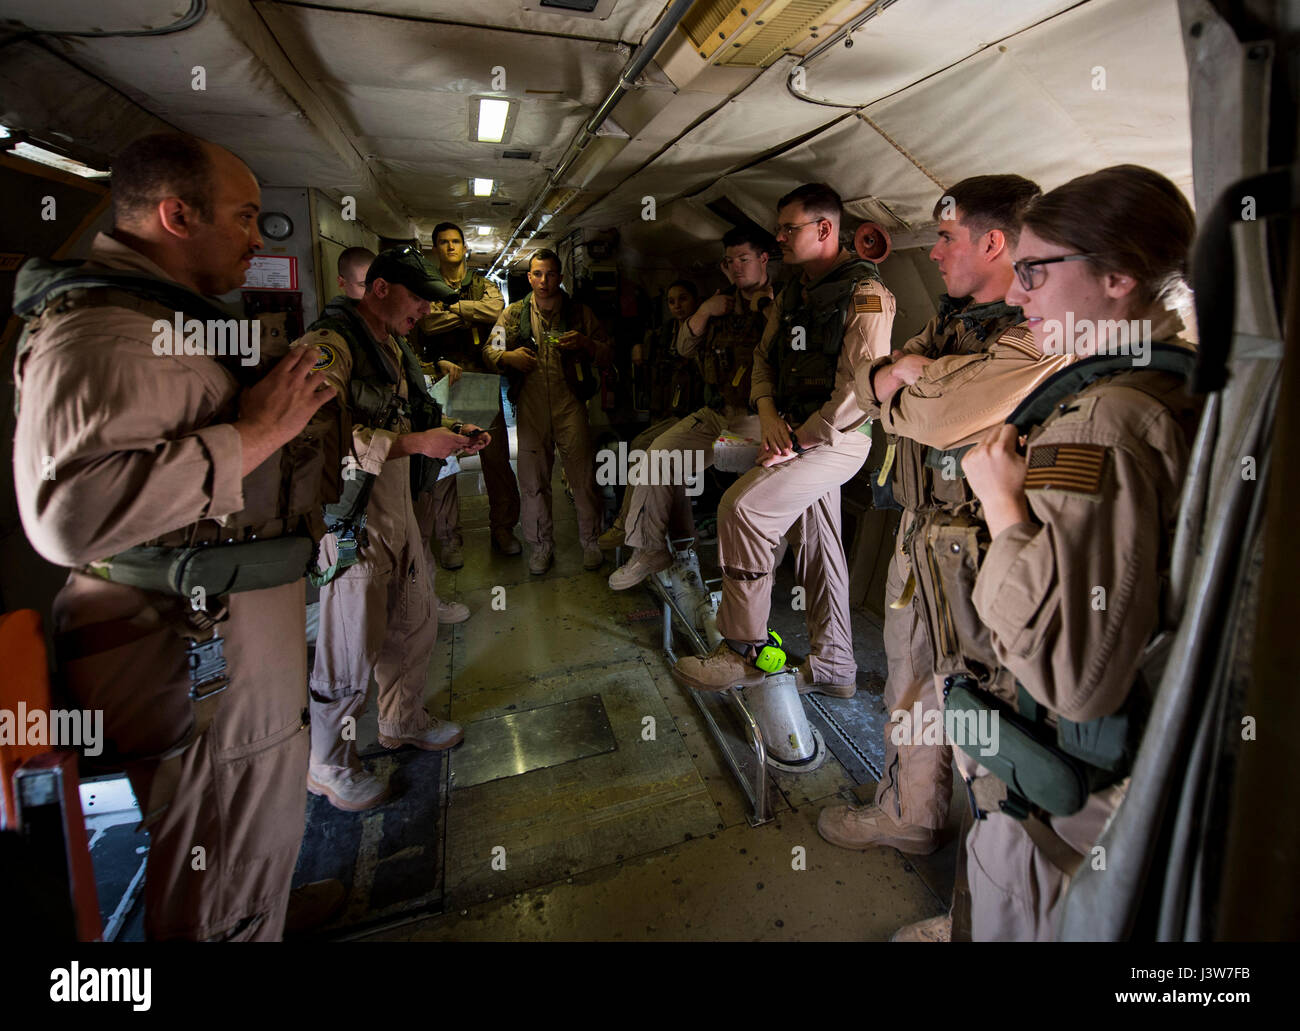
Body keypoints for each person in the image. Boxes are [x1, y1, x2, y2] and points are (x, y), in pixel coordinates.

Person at [12, 132, 335, 939]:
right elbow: (66, 516)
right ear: (176, 214)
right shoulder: (99, 333)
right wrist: (255, 436)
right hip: (192, 650)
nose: (258, 238)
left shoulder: (153, 319)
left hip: (214, 642)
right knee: (223, 861)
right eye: (246, 217)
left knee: (243, 844)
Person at [957, 165, 1199, 939]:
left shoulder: (1105, 421)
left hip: (1075, 803)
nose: (1018, 292)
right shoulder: (1177, 379)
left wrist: (1001, 502)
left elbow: (1074, 676)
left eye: (1035, 270)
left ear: (1118, 276)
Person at [816, 176, 1040, 857]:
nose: (935, 254)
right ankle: (911, 811)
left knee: (978, 706)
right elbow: (867, 378)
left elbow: (940, 419)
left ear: (992, 241)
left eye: (946, 238)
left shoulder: (1034, 332)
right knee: (910, 677)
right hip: (924, 531)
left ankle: (991, 885)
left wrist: (910, 378)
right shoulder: (952, 321)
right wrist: (897, 373)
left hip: (982, 544)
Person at [672, 183, 895, 695]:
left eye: (787, 229)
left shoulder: (866, 295)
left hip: (837, 441)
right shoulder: (794, 291)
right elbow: (763, 361)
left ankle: (743, 649)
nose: (779, 237)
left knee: (741, 509)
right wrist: (769, 415)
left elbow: (856, 395)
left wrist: (797, 438)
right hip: (791, 431)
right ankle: (835, 666)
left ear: (824, 229)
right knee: (819, 548)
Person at [304, 247, 487, 811]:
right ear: (378, 288)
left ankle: (401, 720)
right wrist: (411, 445)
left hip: (398, 502)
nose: (427, 311)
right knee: (350, 643)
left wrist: (450, 430)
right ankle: (328, 764)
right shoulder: (330, 345)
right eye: (419, 298)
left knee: (413, 622)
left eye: (433, 301)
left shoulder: (391, 346)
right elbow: (311, 435)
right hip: (355, 515)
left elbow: (403, 416)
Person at [608, 228, 774, 590]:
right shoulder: (721, 304)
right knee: (657, 454)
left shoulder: (779, 305)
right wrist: (705, 310)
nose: (736, 268)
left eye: (743, 259)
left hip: (757, 419)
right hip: (717, 414)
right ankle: (650, 549)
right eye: (729, 262)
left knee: (743, 494)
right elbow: (683, 347)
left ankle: (756, 573)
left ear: (763, 260)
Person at [489, 248, 612, 574]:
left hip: (570, 405)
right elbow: (491, 350)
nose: (544, 281)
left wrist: (585, 344)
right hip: (530, 409)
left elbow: (607, 353)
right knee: (532, 482)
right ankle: (541, 547)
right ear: (529, 277)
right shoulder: (513, 315)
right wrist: (509, 358)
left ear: (560, 276)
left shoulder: (579, 313)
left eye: (551, 274)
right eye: (537, 274)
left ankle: (591, 542)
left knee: (583, 478)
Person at [410, 222, 517, 568]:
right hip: (446, 379)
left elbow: (493, 311)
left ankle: (502, 529)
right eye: (443, 242)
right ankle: (449, 537)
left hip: (481, 377)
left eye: (456, 241)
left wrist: (451, 311)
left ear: (464, 246)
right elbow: (426, 323)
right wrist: (466, 315)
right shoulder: (427, 286)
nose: (451, 247)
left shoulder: (482, 283)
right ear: (435, 248)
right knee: (444, 465)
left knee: (497, 461)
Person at [600, 278, 702, 552]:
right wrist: (639, 349)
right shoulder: (664, 334)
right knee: (640, 451)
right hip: (667, 413)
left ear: (696, 301)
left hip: (695, 415)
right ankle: (639, 529)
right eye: (672, 301)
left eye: (683, 299)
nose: (677, 306)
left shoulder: (705, 331)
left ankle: (628, 526)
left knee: (645, 450)